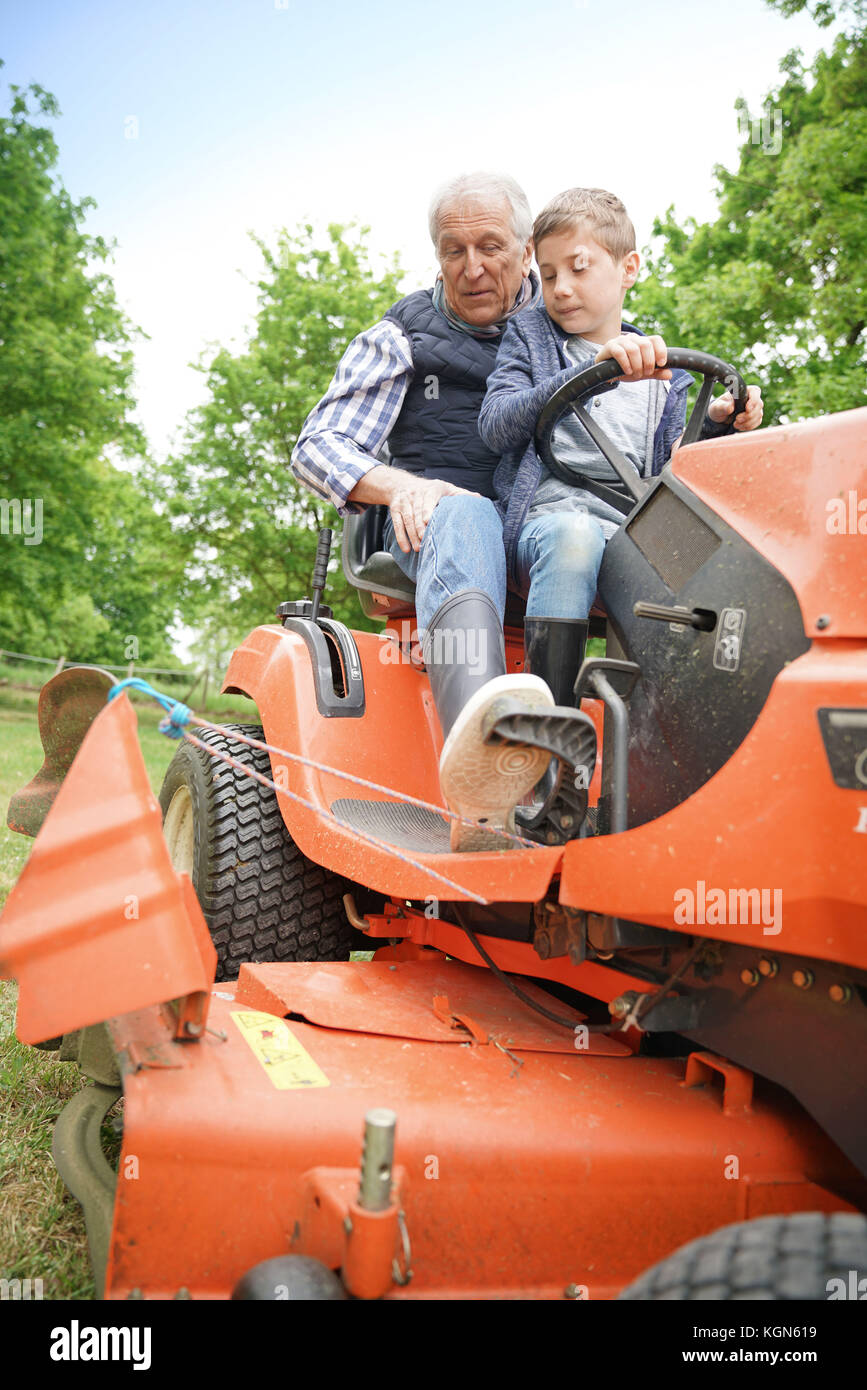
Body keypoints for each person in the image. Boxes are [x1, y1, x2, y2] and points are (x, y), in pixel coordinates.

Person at [292, 173, 590, 851]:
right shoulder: (401, 337)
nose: (473, 267)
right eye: (453, 251)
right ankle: (486, 792)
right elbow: (318, 447)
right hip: (441, 532)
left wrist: (722, 420)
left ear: (524, 251)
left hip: (551, 531)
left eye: (490, 246)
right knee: (466, 513)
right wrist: (401, 487)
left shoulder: (571, 320)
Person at [479, 186, 764, 729]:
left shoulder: (666, 375)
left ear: (628, 268)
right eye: (550, 273)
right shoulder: (533, 339)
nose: (561, 289)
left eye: (579, 268)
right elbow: (496, 424)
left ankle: (686, 736)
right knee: (575, 536)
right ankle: (550, 729)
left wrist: (721, 422)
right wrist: (587, 376)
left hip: (634, 538)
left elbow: (673, 473)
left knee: (730, 565)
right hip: (546, 530)